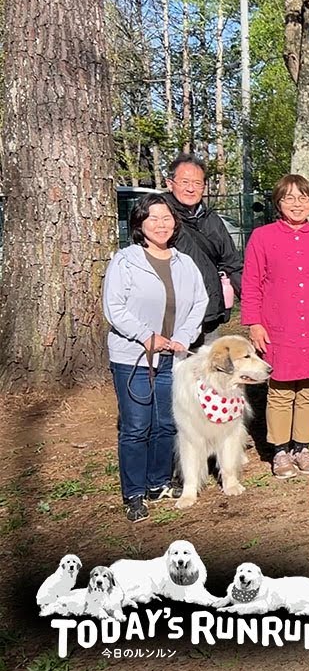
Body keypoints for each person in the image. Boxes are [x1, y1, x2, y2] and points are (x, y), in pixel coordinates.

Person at [103, 195, 208, 522]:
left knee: (166, 423)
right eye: (153, 219)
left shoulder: (184, 263)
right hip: (132, 358)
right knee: (136, 426)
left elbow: (199, 303)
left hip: (172, 358)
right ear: (139, 225)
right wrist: (147, 337)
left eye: (166, 218)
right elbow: (114, 308)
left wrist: (183, 338)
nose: (161, 224)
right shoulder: (125, 261)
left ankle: (158, 482)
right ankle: (133, 492)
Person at [241, 174, 309, 479]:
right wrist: (254, 323)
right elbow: (252, 282)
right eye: (289, 198)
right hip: (277, 325)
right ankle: (280, 451)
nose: (297, 204)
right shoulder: (262, 237)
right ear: (278, 203)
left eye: (303, 198)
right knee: (281, 390)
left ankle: (302, 447)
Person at [165, 153, 243, 347]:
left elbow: (232, 263)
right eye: (184, 182)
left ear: (204, 187)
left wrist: (252, 306)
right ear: (170, 183)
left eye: (197, 183)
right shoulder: (159, 217)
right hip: (172, 317)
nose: (191, 189)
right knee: (175, 373)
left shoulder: (212, 220)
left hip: (209, 314)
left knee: (207, 371)